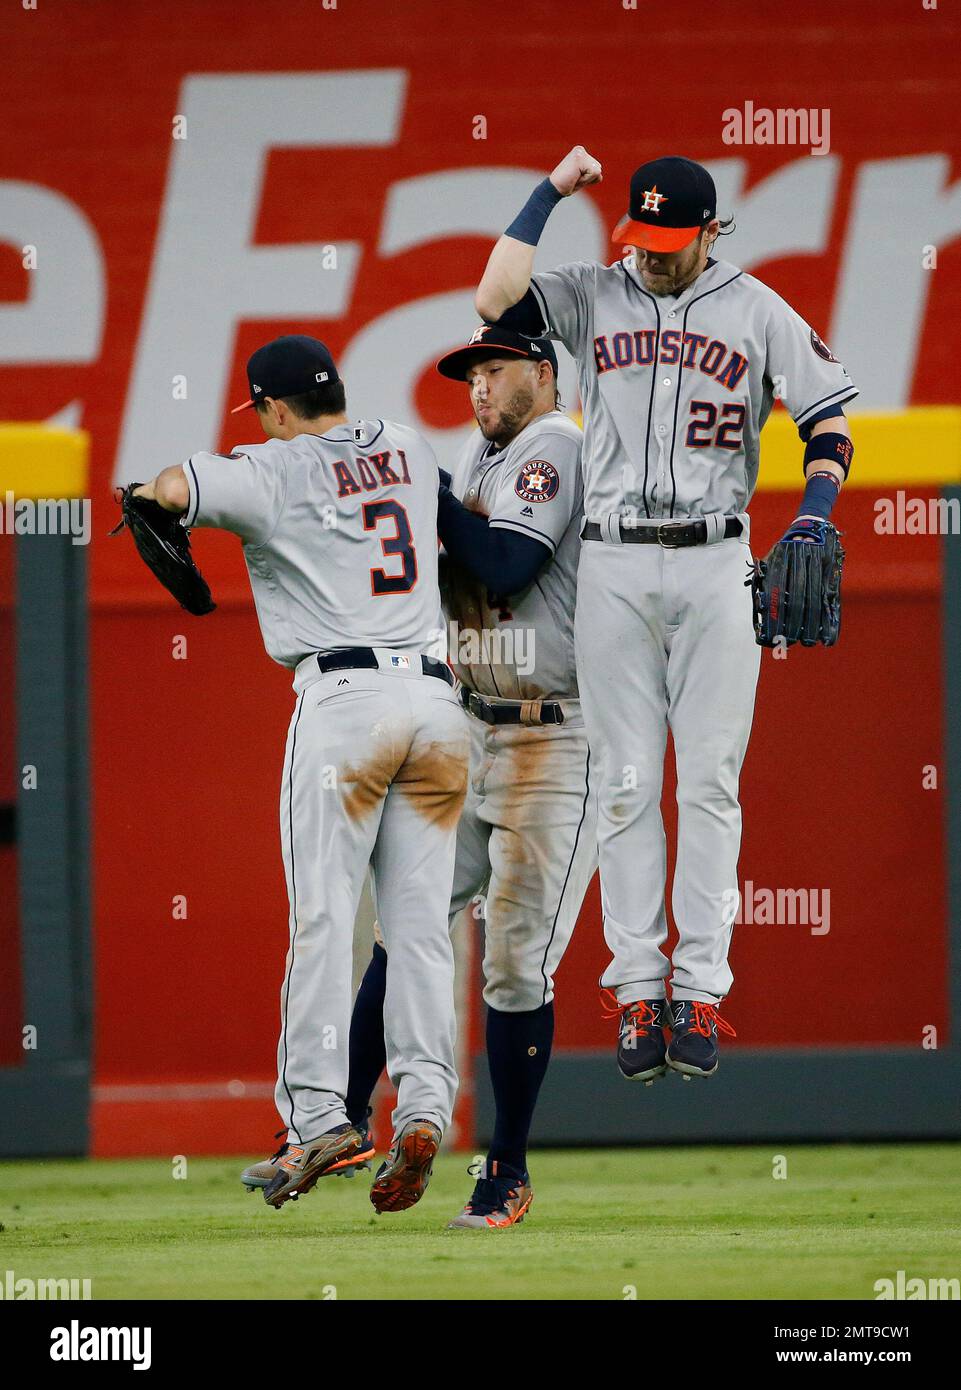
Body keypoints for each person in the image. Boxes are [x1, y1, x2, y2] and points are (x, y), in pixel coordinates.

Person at [474, 150, 857, 1081]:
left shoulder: (758, 309)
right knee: (626, 784)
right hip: (610, 555)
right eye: (640, 239)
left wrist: (810, 516)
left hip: (717, 556)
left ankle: (700, 990)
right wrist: (548, 194)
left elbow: (829, 423)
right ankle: (639, 992)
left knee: (710, 783)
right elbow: (494, 301)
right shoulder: (593, 291)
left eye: (669, 241)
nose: (649, 256)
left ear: (710, 233)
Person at [133, 334, 469, 1211]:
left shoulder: (271, 468)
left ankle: (319, 1115)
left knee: (324, 917)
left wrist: (144, 495)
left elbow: (172, 489)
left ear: (273, 410)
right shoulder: (407, 444)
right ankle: (427, 1106)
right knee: (419, 929)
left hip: (345, 703)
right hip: (435, 705)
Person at [346, 326, 597, 1227]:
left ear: (541, 371)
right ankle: (334, 1120)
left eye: (493, 370)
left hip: (550, 736)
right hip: (472, 724)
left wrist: (426, 493)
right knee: (404, 925)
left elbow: (505, 564)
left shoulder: (554, 445)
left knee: (514, 969)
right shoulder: (476, 455)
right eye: (468, 374)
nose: (477, 387)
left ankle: (507, 1168)